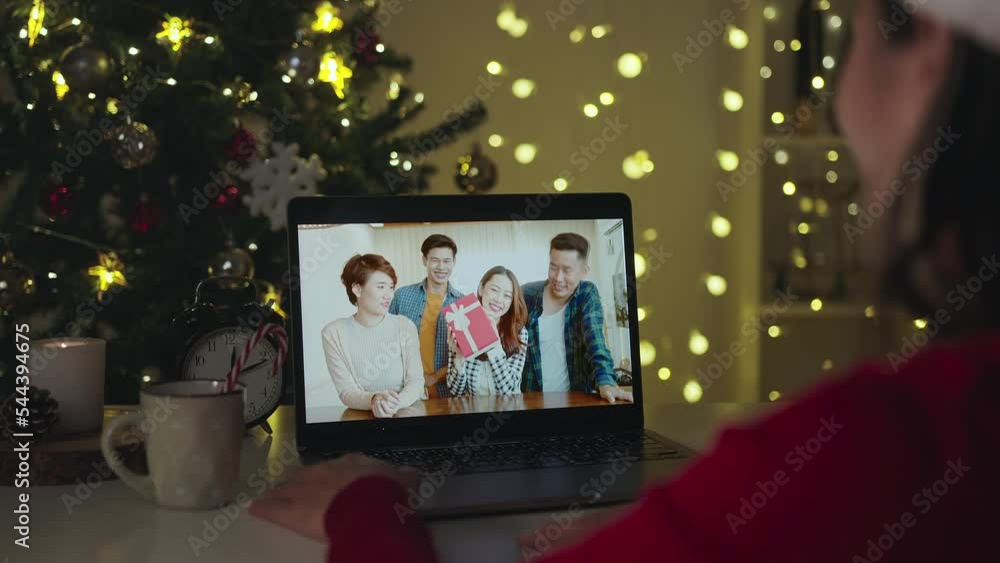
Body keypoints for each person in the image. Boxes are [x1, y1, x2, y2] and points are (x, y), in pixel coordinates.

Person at [251, 1, 1000, 561]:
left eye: (853, 38)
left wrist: (364, 505)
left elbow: (576, 367)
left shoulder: (883, 444)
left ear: (926, 45)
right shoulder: (423, 313)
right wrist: (675, 525)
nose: (837, 98)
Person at [521, 233, 633, 404]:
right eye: (553, 267)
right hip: (532, 401)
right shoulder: (526, 294)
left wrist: (606, 382)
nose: (558, 278)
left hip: (574, 401)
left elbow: (595, 340)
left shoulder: (586, 294)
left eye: (567, 270)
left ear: (583, 271)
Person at [320, 254, 423, 418]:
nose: (389, 295)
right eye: (381, 287)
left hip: (406, 415)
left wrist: (394, 404)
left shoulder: (405, 326)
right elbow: (346, 392)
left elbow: (416, 382)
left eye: (391, 287)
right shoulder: (333, 333)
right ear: (357, 289)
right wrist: (374, 399)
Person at [389, 234, 464, 399]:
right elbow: (386, 340)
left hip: (448, 394)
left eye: (447, 261)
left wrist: (435, 376)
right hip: (404, 391)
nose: (441, 267)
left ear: (454, 262)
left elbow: (468, 357)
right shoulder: (402, 296)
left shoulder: (463, 304)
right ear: (424, 260)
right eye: (435, 260)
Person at [446, 266, 529, 397]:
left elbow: (508, 391)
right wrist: (459, 358)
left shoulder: (518, 332)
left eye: (507, 296)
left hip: (509, 407)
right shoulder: (462, 323)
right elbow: (455, 391)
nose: (499, 299)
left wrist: (494, 344)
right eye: (494, 290)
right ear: (481, 288)